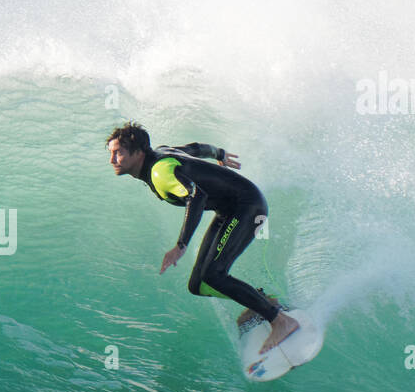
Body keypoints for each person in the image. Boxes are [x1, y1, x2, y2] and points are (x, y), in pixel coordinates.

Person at [106, 120, 299, 353]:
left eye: (118, 153)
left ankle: (281, 321)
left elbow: (196, 197)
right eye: (111, 153)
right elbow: (195, 149)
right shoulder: (161, 153)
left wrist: (181, 245)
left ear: (138, 153)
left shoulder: (160, 173)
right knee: (198, 284)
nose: (112, 160)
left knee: (214, 275)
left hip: (247, 206)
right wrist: (220, 153)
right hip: (229, 210)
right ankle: (263, 302)